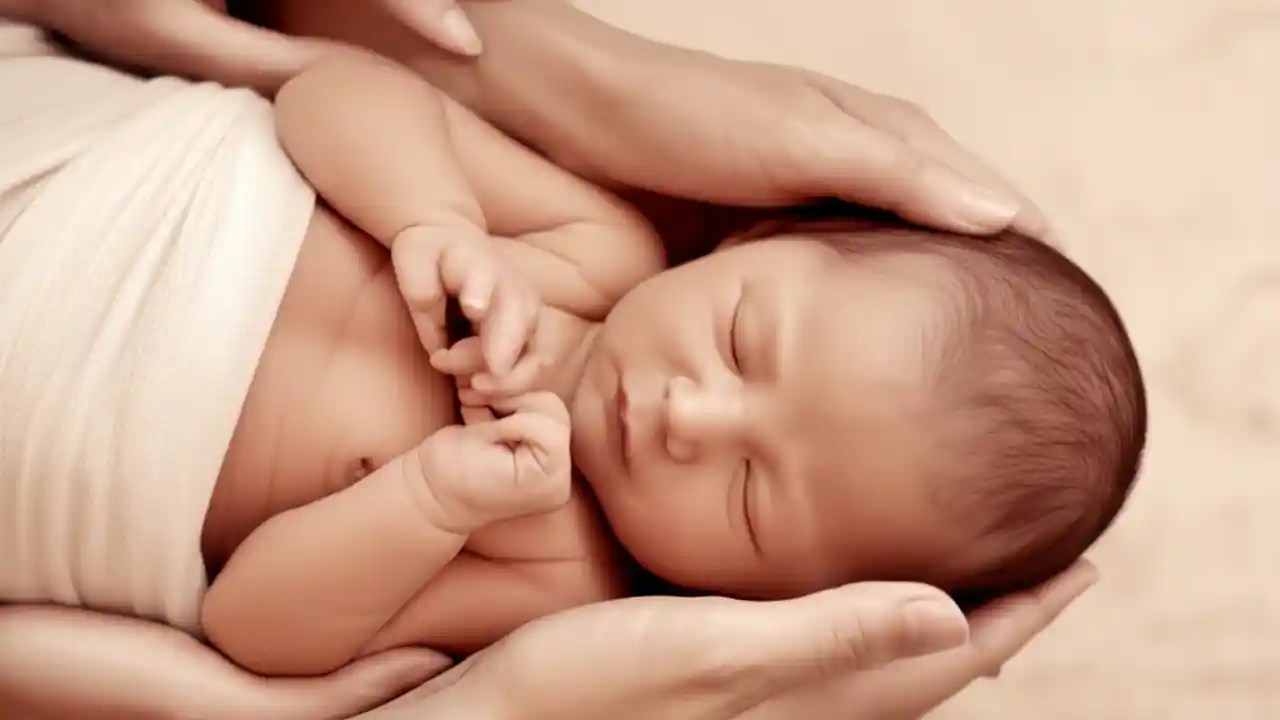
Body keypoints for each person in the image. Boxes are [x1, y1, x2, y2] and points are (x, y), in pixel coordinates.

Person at [0, 1, 1090, 718]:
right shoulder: (590, 250)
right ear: (761, 239)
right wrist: (432, 220)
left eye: (752, 495)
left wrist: (429, 501)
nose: (689, 420)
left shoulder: (557, 575)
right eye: (738, 339)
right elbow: (330, 93)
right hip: (87, 181)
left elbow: (251, 627)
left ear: (767, 595)